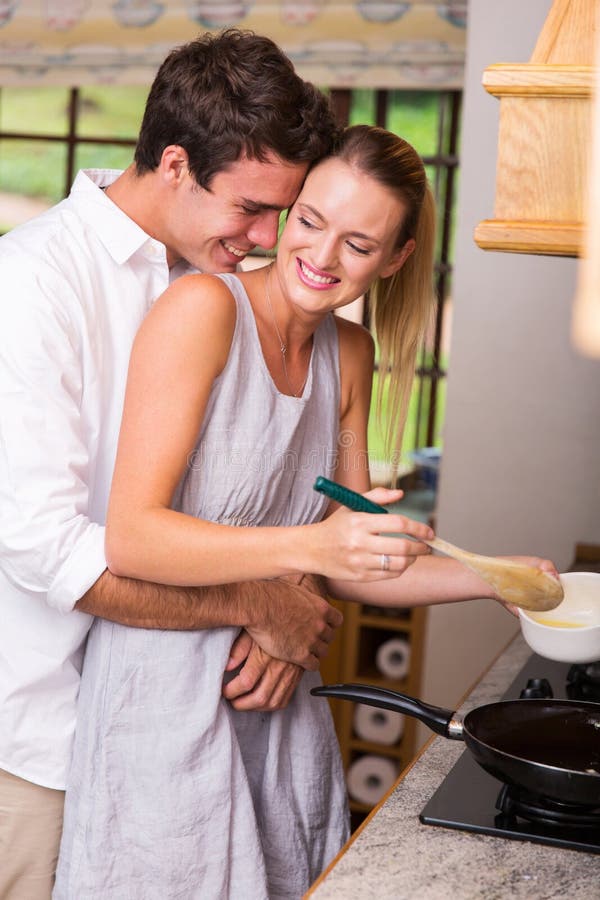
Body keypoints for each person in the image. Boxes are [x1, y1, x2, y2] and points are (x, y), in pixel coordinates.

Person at [54, 125, 559, 899]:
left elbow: (357, 568)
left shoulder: (349, 356)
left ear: (395, 258)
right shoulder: (202, 310)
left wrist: (495, 580)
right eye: (311, 221)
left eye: (359, 244)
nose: (321, 258)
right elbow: (133, 536)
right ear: (288, 212)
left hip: (280, 708)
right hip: (161, 707)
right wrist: (318, 553)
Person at [0, 29, 351, 900]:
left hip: (188, 734)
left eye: (285, 211)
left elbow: (277, 493)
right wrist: (251, 602)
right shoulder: (32, 284)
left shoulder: (229, 279)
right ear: (172, 165)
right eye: (250, 209)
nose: (268, 237)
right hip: (42, 746)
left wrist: (298, 603)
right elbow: (47, 548)